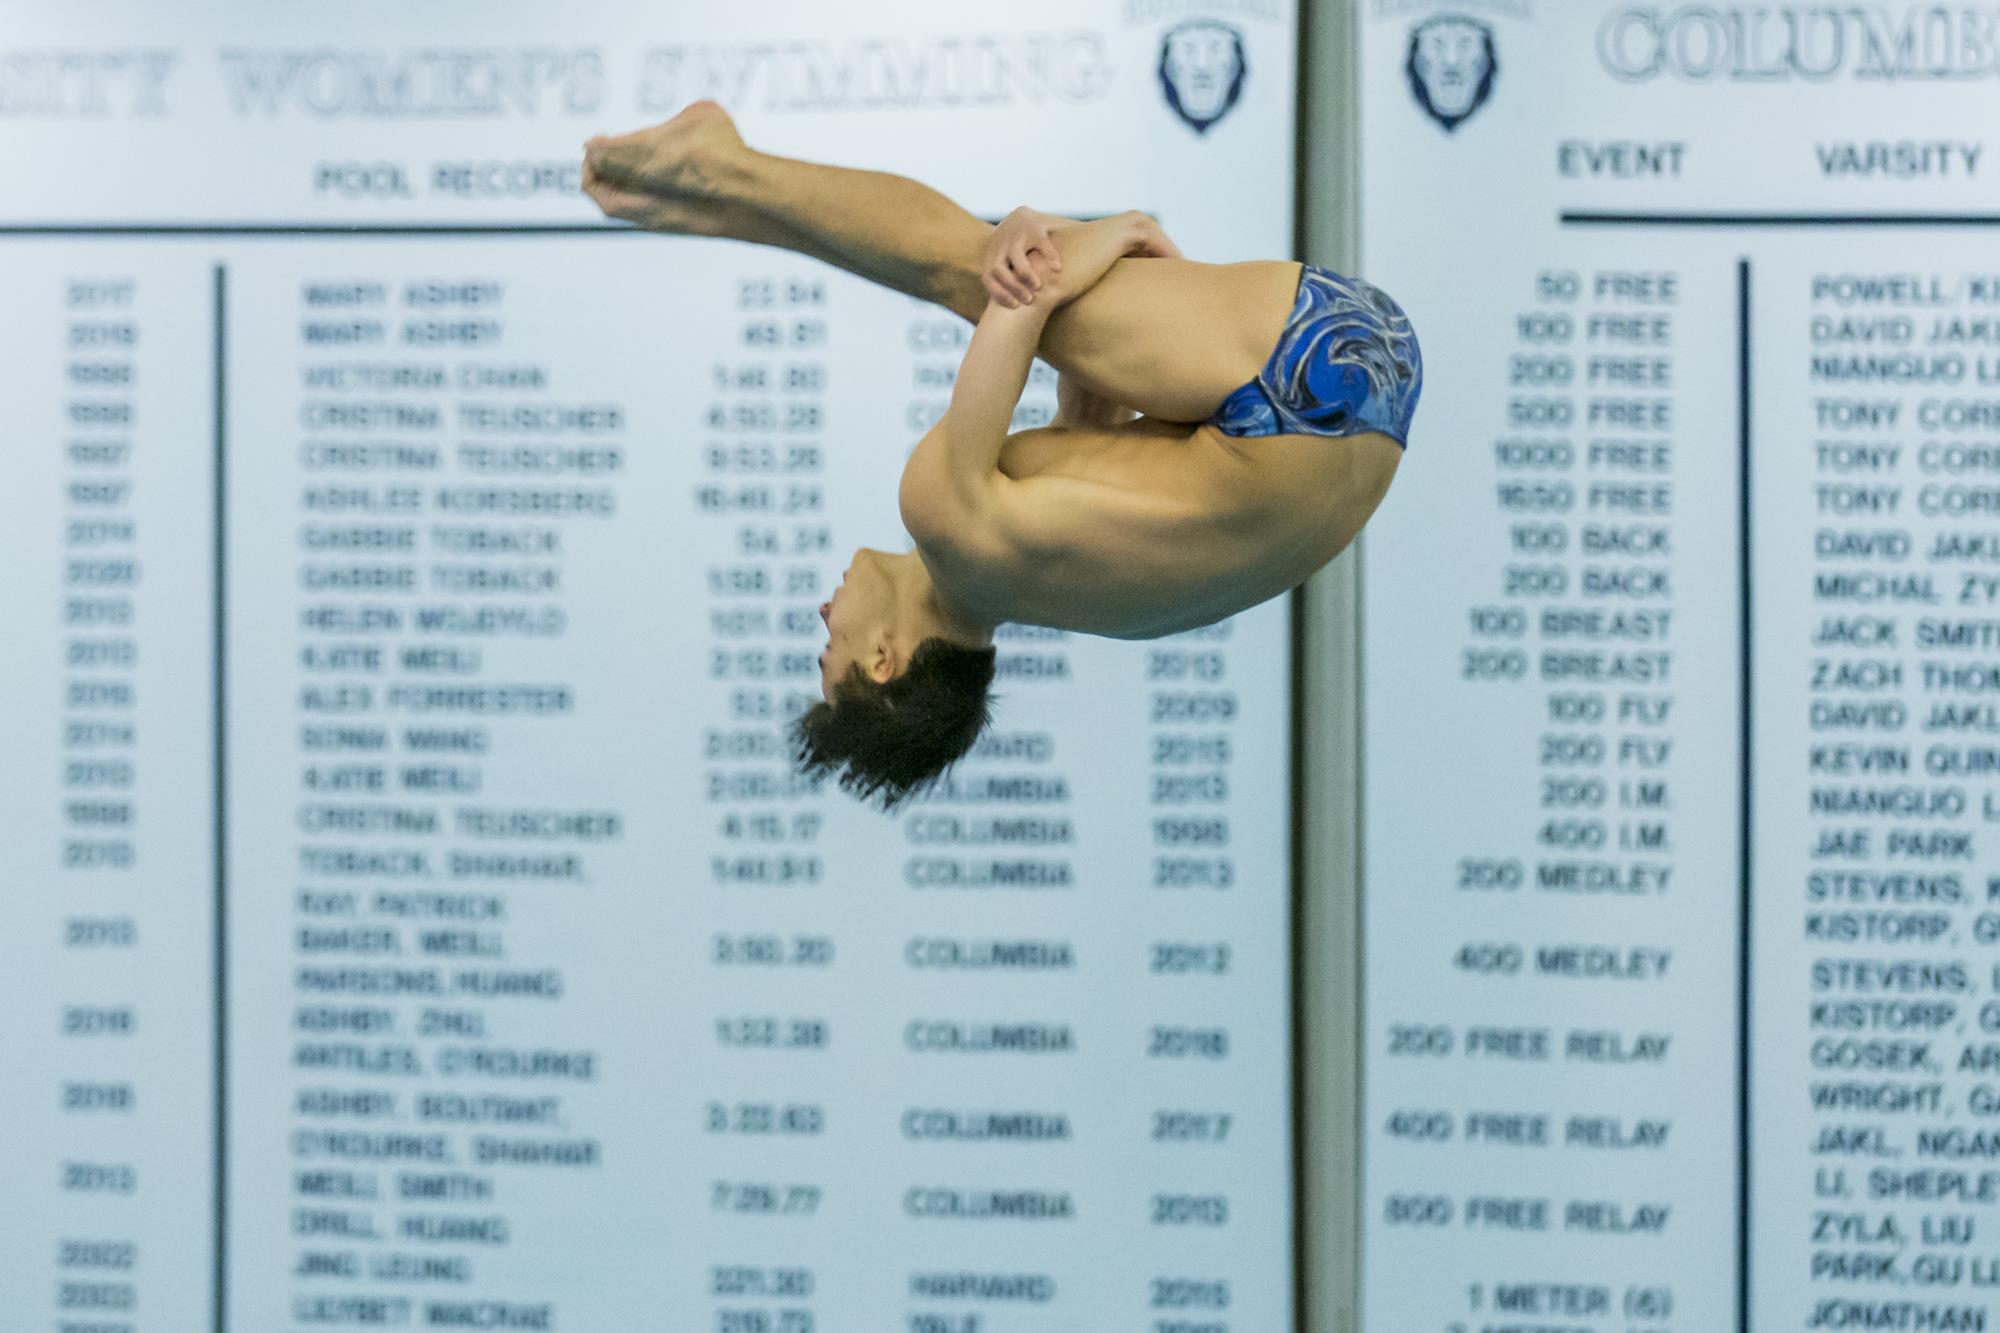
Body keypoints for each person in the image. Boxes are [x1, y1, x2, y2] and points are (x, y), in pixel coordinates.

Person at [581, 101, 1420, 810]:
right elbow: (1019, 295)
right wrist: (1109, 232)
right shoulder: (943, 519)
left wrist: (1093, 278)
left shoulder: (1055, 589)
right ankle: (718, 166)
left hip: (1369, 394)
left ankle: (719, 204)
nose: (822, 618)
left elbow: (1097, 420)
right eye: (827, 651)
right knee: (970, 262)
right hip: (1302, 366)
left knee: (989, 271)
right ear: (886, 661)